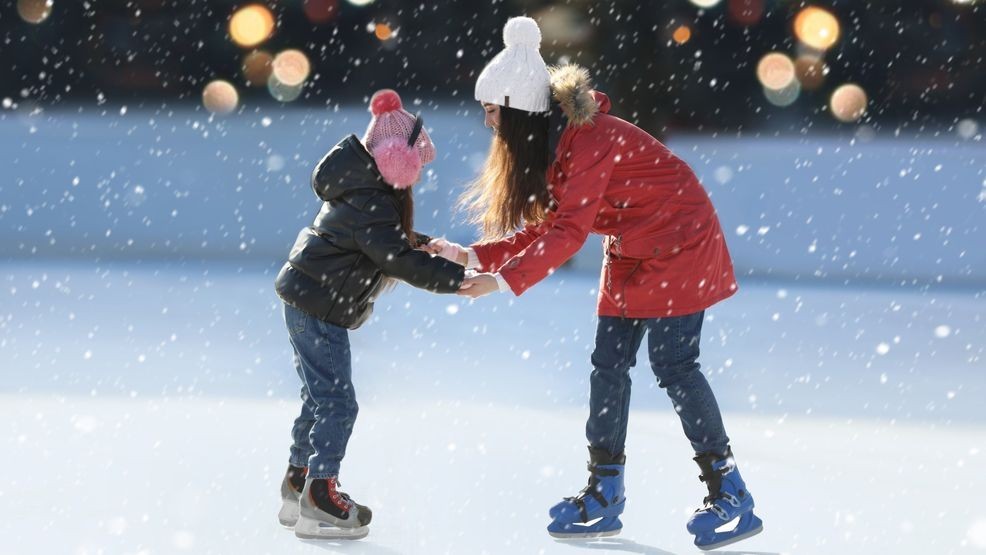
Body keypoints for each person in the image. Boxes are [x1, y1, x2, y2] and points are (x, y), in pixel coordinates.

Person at [428, 17, 763, 550]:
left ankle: (731, 494)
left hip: (682, 242)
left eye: (491, 110)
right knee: (608, 367)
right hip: (631, 249)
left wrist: (502, 282)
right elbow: (547, 223)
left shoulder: (590, 140)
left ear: (516, 108)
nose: (487, 122)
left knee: (674, 365)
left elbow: (567, 233)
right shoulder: (551, 144)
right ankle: (604, 493)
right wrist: (472, 254)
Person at [273, 89, 465, 540]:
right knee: (338, 403)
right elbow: (392, 257)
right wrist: (454, 279)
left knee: (319, 399)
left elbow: (383, 243)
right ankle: (320, 497)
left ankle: (299, 483)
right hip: (318, 306)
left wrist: (420, 244)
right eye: (415, 164)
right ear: (394, 159)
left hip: (308, 300)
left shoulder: (362, 191)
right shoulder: (371, 200)